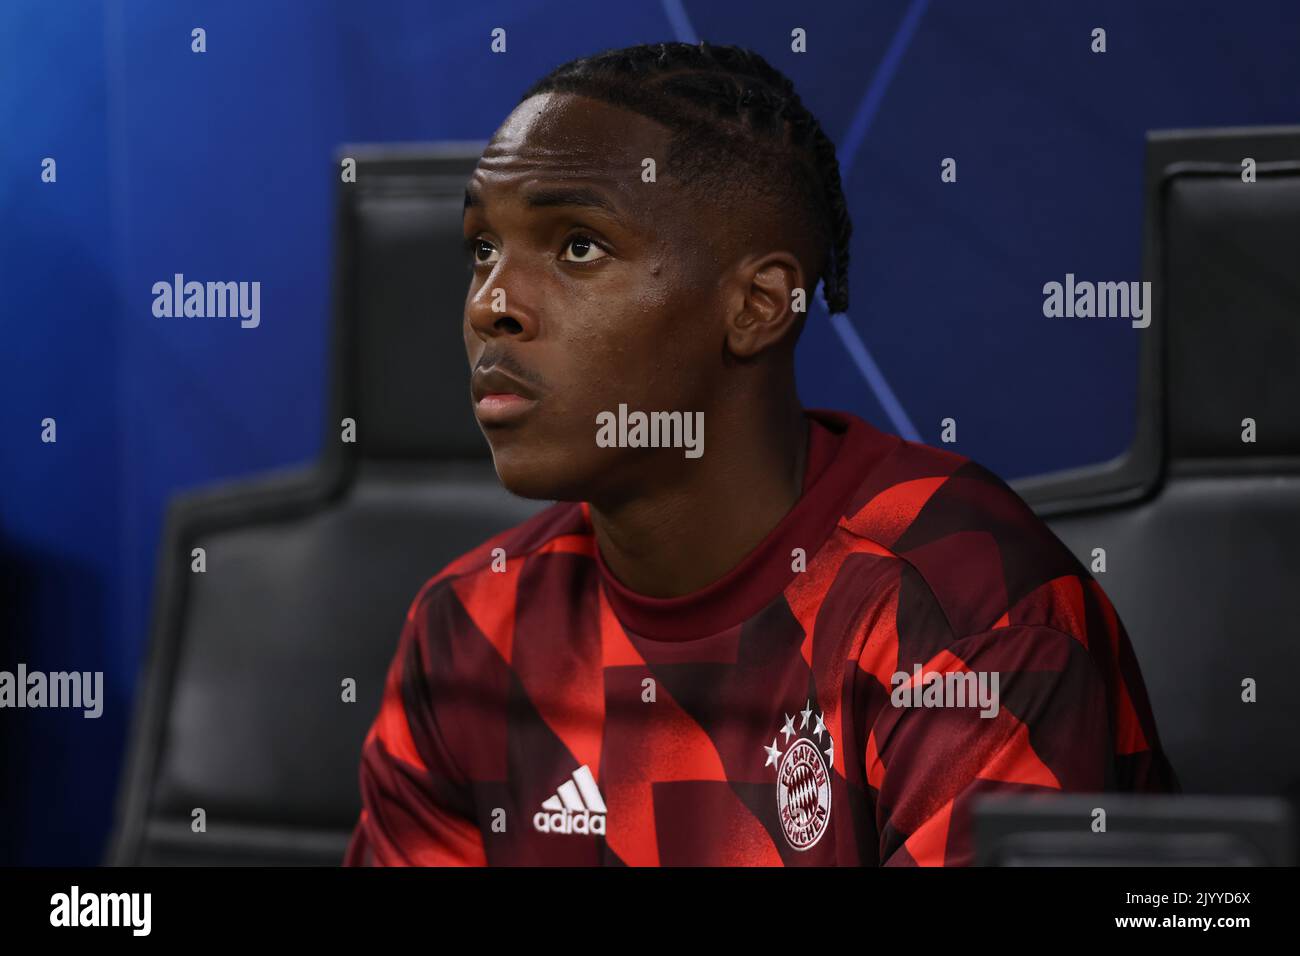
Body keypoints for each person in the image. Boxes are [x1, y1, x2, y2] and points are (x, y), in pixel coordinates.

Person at [343, 40, 1178, 866]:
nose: (492, 304)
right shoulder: (467, 630)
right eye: (482, 249)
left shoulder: (968, 622)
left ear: (758, 306)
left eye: (577, 247)